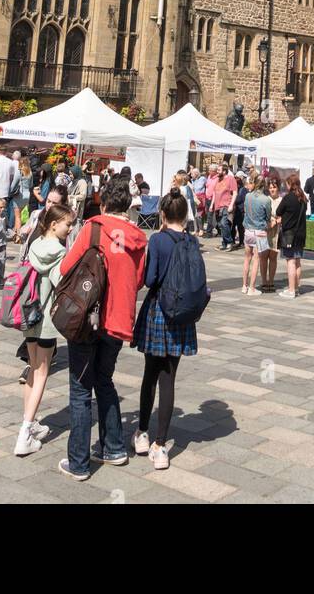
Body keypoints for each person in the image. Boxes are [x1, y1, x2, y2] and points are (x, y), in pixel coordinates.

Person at [58, 175, 147, 479]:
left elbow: (66, 267)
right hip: (119, 321)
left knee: (81, 388)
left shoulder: (94, 228)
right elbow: (140, 279)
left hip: (88, 319)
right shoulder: (138, 236)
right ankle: (114, 447)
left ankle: (79, 462)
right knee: (104, 380)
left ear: (104, 200)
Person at [132, 186, 205, 469]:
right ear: (185, 216)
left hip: (158, 310)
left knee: (150, 374)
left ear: (162, 215)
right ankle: (161, 446)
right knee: (169, 378)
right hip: (183, 315)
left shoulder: (158, 240)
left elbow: (150, 279)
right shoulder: (191, 241)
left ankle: (142, 433)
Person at [15, 204, 74, 457]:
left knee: (32, 370)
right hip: (46, 320)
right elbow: (59, 283)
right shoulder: (59, 251)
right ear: (54, 225)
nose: (70, 228)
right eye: (67, 224)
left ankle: (32, 421)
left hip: (28, 314)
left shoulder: (36, 243)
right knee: (42, 374)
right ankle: (25, 433)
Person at [275, 174, 308, 298]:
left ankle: (291, 290)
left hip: (290, 234)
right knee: (298, 262)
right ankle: (296, 288)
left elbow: (278, 211)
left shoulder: (288, 198)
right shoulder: (303, 198)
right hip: (301, 233)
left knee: (291, 262)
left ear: (290, 184)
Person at [241, 174, 272, 295]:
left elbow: (245, 210)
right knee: (256, 259)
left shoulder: (248, 196)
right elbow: (268, 217)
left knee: (246, 258)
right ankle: (252, 288)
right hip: (259, 231)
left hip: (248, 229)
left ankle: (244, 285)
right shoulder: (266, 199)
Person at [211, 162, 239, 251]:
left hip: (226, 205)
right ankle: (224, 243)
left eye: (219, 170)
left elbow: (235, 192)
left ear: (224, 171)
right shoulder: (218, 180)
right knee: (220, 225)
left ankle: (230, 242)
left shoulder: (230, 179)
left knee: (224, 224)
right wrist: (212, 204)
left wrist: (231, 205)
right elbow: (215, 193)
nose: (217, 171)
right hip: (218, 206)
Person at [264, 175, 282, 292]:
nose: (272, 189)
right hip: (266, 230)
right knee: (264, 257)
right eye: (270, 187)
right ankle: (264, 281)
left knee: (273, 256)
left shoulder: (281, 200)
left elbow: (284, 214)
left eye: (274, 187)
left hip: (276, 231)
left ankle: (271, 280)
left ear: (278, 188)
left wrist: (279, 220)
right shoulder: (266, 199)